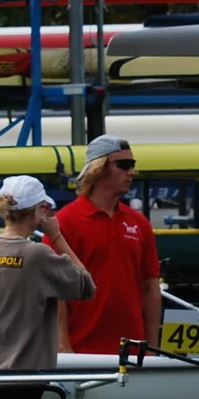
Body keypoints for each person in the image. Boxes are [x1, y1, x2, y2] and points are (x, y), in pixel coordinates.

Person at [0, 175, 95, 372]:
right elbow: (86, 286)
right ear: (38, 211)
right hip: (26, 376)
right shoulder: (38, 255)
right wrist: (57, 236)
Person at [56, 135, 163, 360]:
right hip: (82, 354)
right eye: (124, 165)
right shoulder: (65, 223)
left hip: (133, 354)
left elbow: (150, 288)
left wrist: (153, 349)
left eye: (132, 165)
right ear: (99, 168)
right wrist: (64, 348)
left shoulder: (139, 223)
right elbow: (55, 293)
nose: (131, 172)